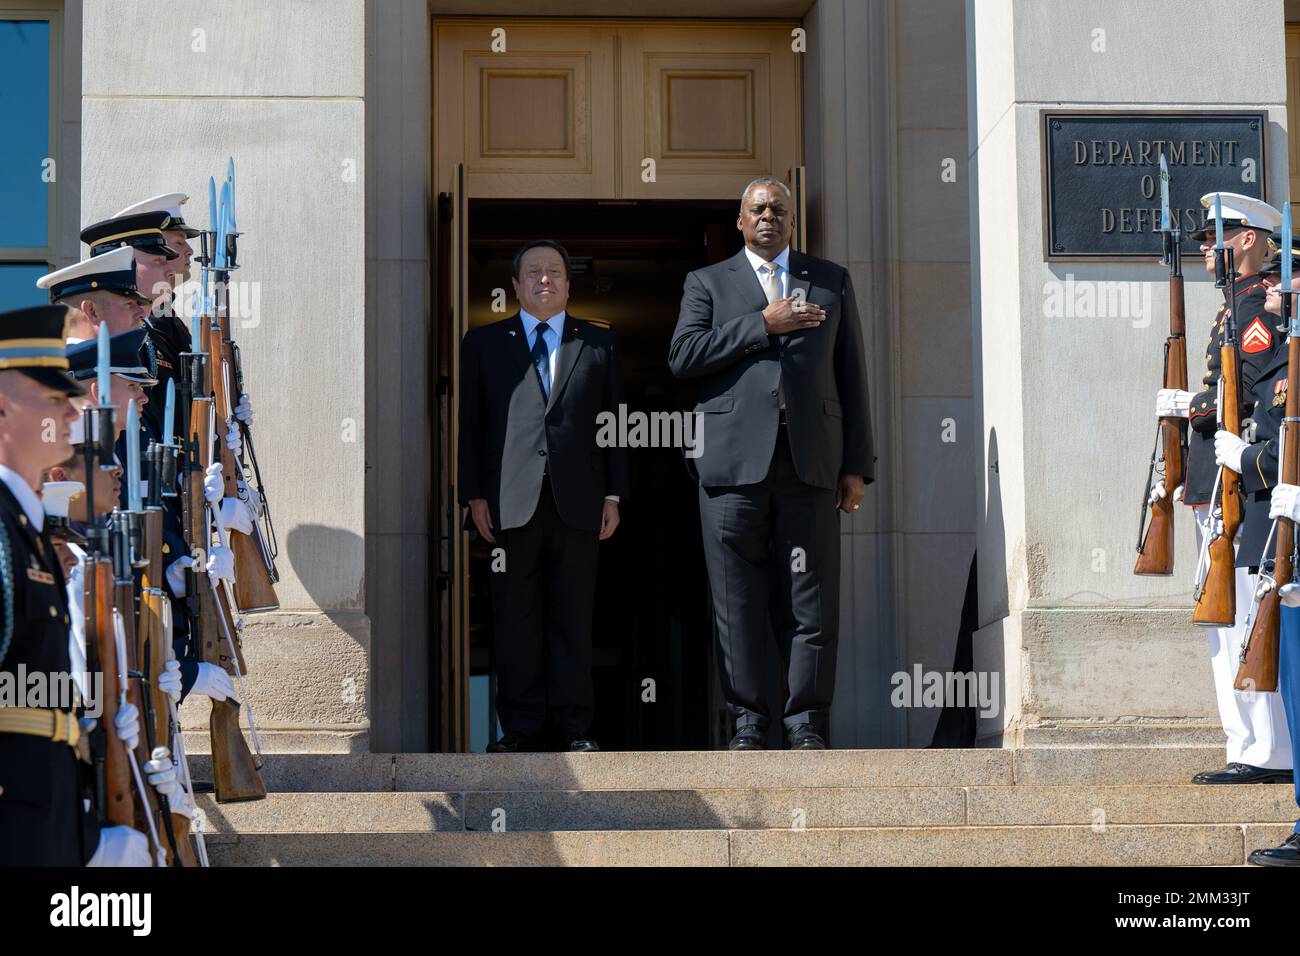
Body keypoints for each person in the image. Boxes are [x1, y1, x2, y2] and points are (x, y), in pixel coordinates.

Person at [668, 177, 873, 750]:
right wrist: (763, 323)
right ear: (740, 221)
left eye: (778, 210)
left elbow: (851, 375)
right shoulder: (707, 282)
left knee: (811, 603)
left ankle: (805, 722)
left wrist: (856, 464)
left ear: (791, 221)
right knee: (738, 605)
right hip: (732, 469)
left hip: (811, 467)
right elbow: (683, 356)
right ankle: (750, 723)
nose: (768, 217)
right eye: (757, 209)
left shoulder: (830, 280)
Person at [459, 240, 629, 753]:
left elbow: (616, 425)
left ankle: (575, 728)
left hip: (580, 503)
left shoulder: (598, 343)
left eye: (554, 272)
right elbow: (472, 426)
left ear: (569, 285)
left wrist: (615, 495)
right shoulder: (484, 343)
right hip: (509, 505)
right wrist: (474, 496)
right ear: (515, 286)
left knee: (572, 621)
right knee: (516, 621)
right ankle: (522, 729)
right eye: (533, 272)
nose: (544, 280)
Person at [0, 304, 148, 866]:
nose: (72, 409)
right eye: (53, 398)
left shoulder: (27, 529)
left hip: (51, 823)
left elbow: (19, 678)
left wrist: (92, 710)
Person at [1155, 193, 1292, 784]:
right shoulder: (1231, 306)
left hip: (1246, 484)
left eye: (1218, 237)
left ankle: (1268, 751)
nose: (1207, 248)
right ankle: (1248, 745)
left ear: (1248, 240)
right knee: (1222, 624)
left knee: (1245, 621)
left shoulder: (1257, 309)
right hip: (1220, 481)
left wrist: (1197, 406)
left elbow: (1263, 393)